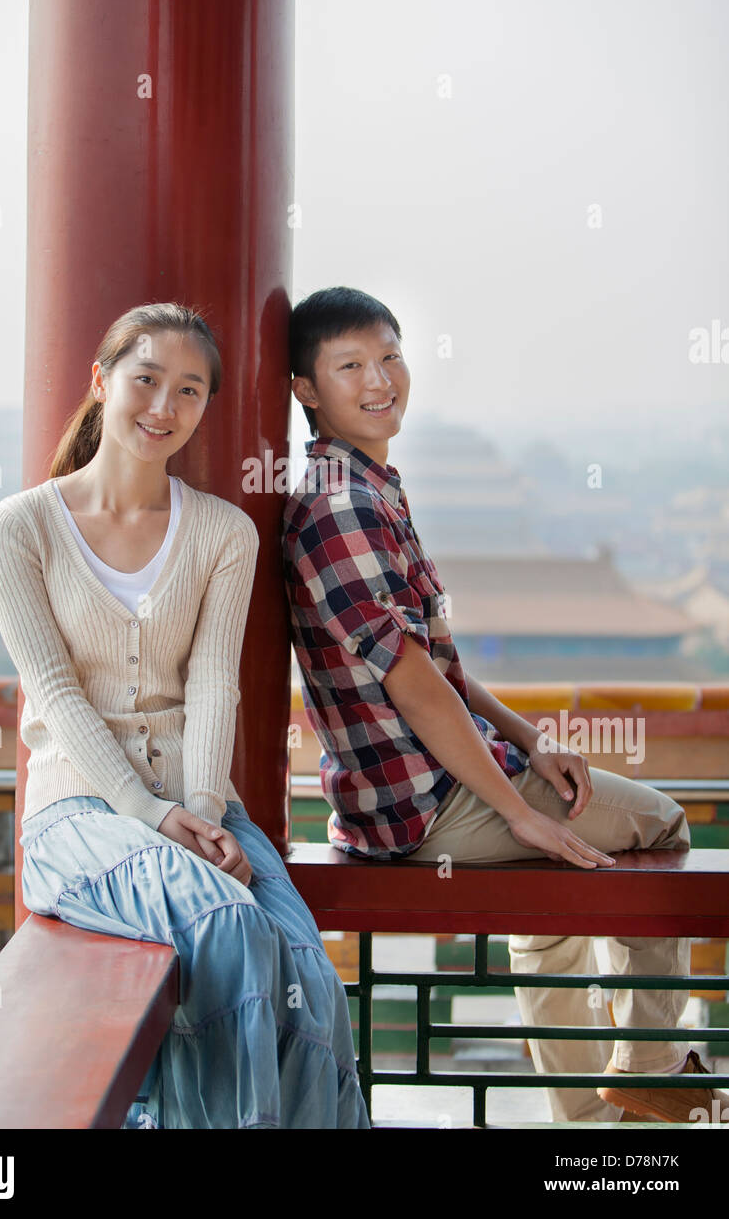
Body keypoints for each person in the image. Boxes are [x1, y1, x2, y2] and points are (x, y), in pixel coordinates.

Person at [281, 284, 728, 1126]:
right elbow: (412, 685)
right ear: (307, 389)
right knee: (659, 826)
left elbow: (439, 661)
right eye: (350, 366)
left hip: (417, 792)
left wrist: (532, 740)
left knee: (560, 903)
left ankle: (595, 1121)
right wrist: (513, 808)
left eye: (390, 355)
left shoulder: (372, 487)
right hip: (423, 804)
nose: (380, 379)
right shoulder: (342, 505)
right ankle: (650, 1072)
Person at [0, 300, 368, 1130]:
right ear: (101, 381)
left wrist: (197, 810)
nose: (163, 408)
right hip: (78, 814)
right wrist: (150, 814)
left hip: (195, 808)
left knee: (305, 965)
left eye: (188, 391)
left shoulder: (223, 532)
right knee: (227, 926)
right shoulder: (19, 530)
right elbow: (54, 690)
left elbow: (213, 686)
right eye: (146, 380)